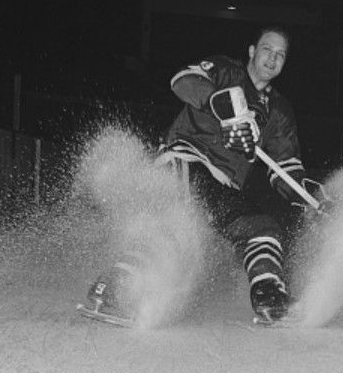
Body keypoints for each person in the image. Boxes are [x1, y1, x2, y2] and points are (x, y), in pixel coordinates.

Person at [84, 25, 321, 323]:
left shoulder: (279, 111)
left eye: (280, 55)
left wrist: (308, 196)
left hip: (223, 185)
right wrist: (218, 102)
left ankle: (269, 297)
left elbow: (285, 168)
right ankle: (113, 287)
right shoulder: (225, 72)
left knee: (261, 229)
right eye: (266, 50)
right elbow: (182, 80)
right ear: (252, 51)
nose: (272, 59)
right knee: (173, 227)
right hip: (185, 161)